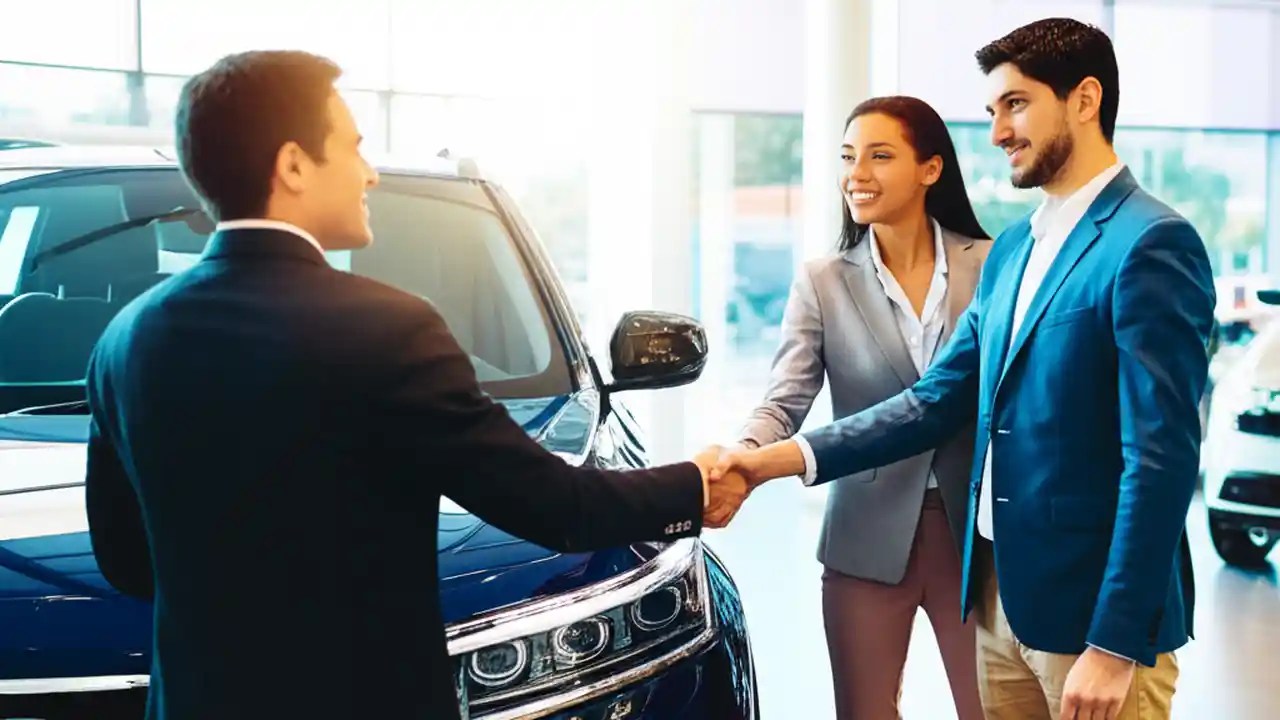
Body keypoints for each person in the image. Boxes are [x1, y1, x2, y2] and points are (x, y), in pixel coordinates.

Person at [83, 50, 744, 720]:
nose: (367, 172)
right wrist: (698, 482)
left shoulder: (125, 342)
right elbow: (554, 506)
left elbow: (127, 562)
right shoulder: (388, 328)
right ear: (291, 166)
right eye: (352, 148)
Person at [713, 18, 1214, 720]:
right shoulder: (1013, 250)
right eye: (991, 112)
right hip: (997, 601)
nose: (999, 131)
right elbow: (931, 402)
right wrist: (768, 462)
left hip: (1091, 620)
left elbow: (1159, 459)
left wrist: (1117, 642)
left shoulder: (1150, 243)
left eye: (1015, 105)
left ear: (1085, 99)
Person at [735, 95, 988, 720]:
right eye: (848, 157)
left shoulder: (991, 264)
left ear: (930, 169)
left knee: (994, 710)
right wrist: (744, 455)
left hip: (976, 539)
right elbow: (785, 398)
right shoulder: (823, 280)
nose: (857, 174)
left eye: (879, 156)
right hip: (865, 535)